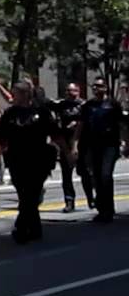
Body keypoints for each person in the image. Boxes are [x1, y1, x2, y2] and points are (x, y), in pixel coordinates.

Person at [0, 80, 59, 243]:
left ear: (26, 94)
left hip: (38, 160)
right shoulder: (10, 113)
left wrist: (69, 151)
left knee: (30, 194)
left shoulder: (41, 112)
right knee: (25, 195)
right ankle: (34, 229)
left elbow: (56, 134)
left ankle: (21, 228)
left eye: (16, 93)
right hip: (16, 160)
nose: (13, 96)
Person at [75, 76, 124, 223]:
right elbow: (80, 125)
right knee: (95, 177)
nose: (96, 88)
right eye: (94, 86)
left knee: (105, 175)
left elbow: (121, 124)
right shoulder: (88, 106)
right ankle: (103, 209)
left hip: (110, 145)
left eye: (99, 86)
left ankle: (108, 209)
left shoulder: (113, 105)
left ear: (105, 88)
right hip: (92, 145)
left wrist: (125, 142)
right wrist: (74, 145)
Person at [51, 82, 93, 213]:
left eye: (73, 91)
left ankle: (91, 199)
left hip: (82, 143)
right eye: (68, 91)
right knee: (66, 175)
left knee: (85, 172)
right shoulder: (61, 105)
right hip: (66, 144)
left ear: (78, 91)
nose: (70, 93)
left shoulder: (85, 105)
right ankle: (69, 201)